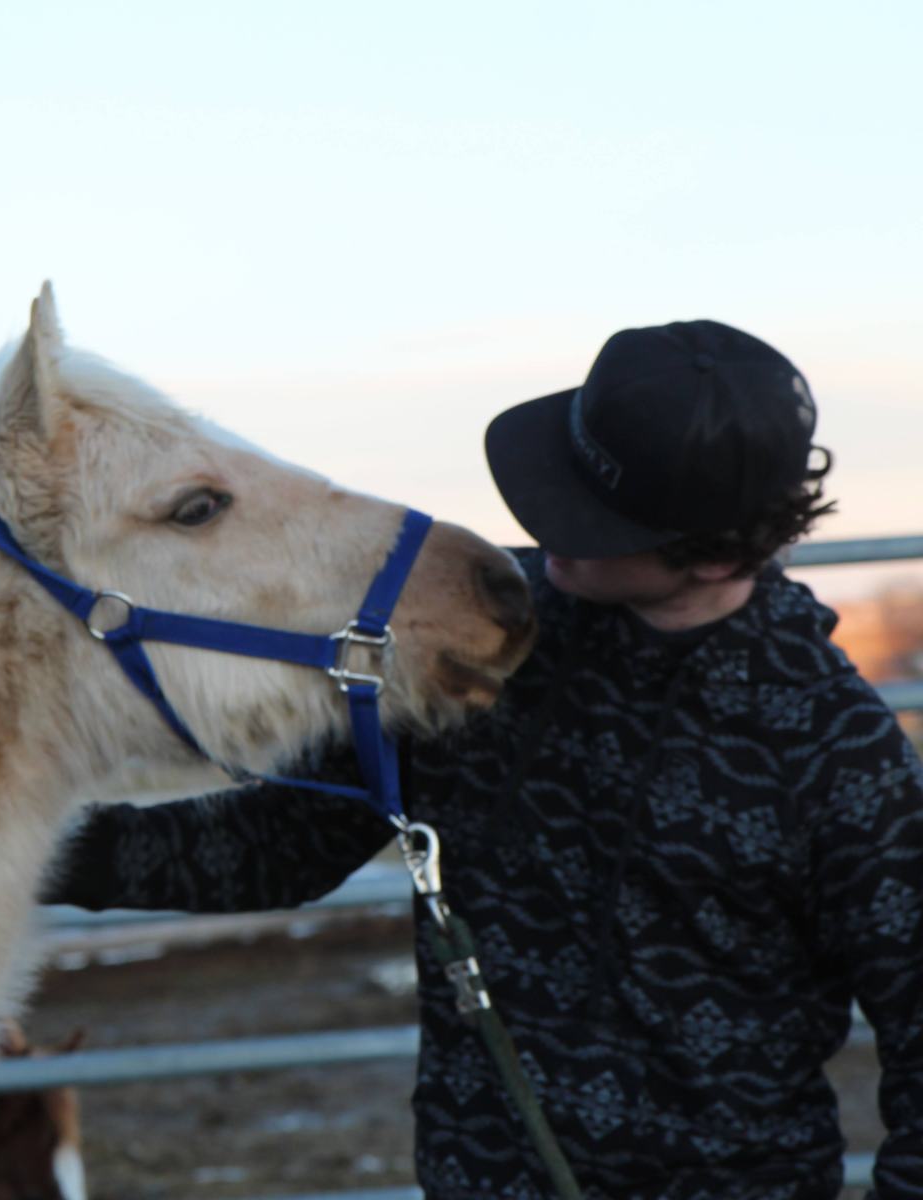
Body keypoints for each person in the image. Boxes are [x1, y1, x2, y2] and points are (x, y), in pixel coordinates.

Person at [48, 320, 923, 1200]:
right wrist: (5, 852)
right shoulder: (480, 637)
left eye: (592, 517)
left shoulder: (836, 755)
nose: (542, 523)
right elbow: (280, 845)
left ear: (719, 553)